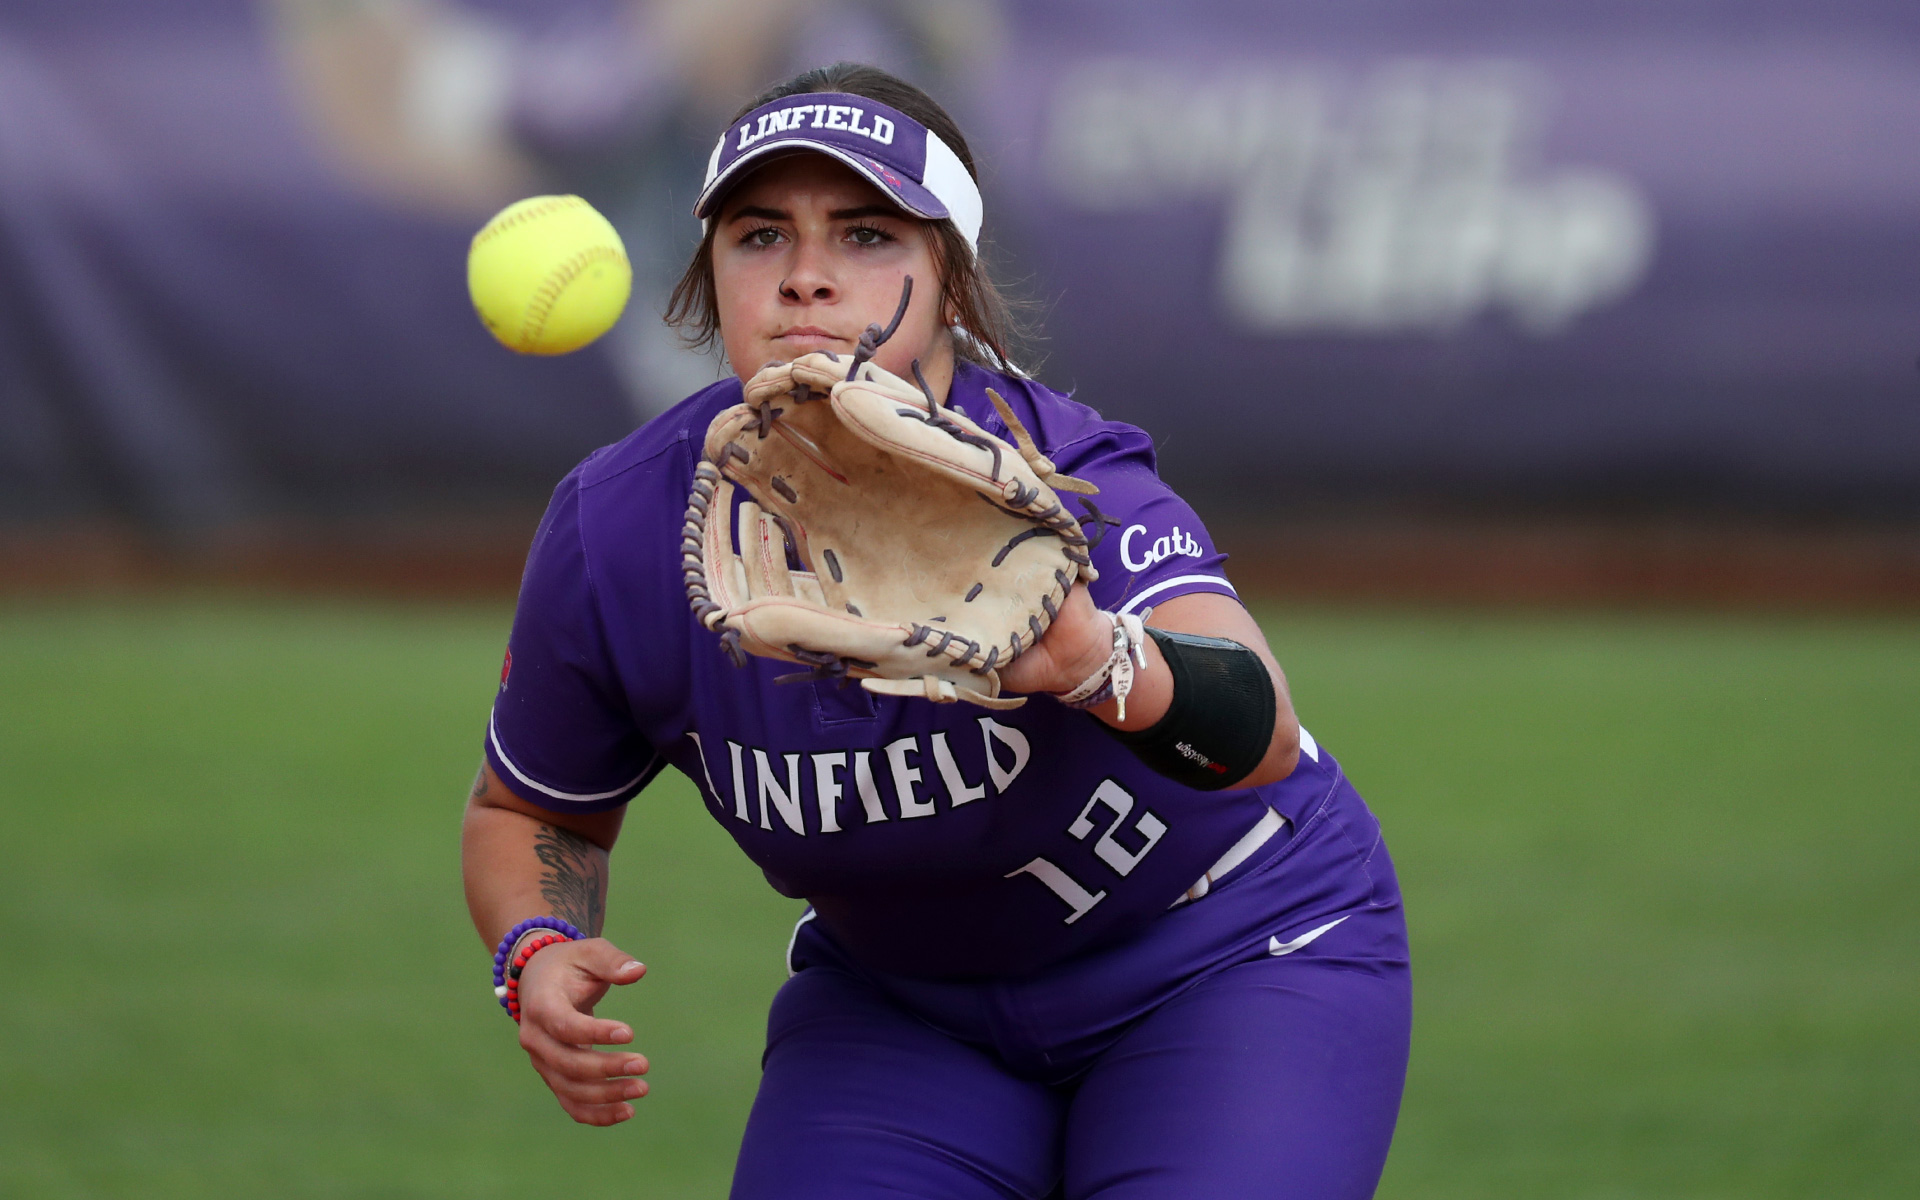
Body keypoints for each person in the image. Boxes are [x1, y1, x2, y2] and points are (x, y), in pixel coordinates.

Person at [461, 62, 1410, 1199]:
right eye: (760, 237)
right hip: (904, 1011)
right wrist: (537, 948)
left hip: (1228, 956)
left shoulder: (1059, 481)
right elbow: (528, 808)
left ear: (949, 281)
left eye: (867, 235)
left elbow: (1256, 731)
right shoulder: (619, 529)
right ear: (713, 276)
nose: (807, 278)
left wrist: (1091, 660)